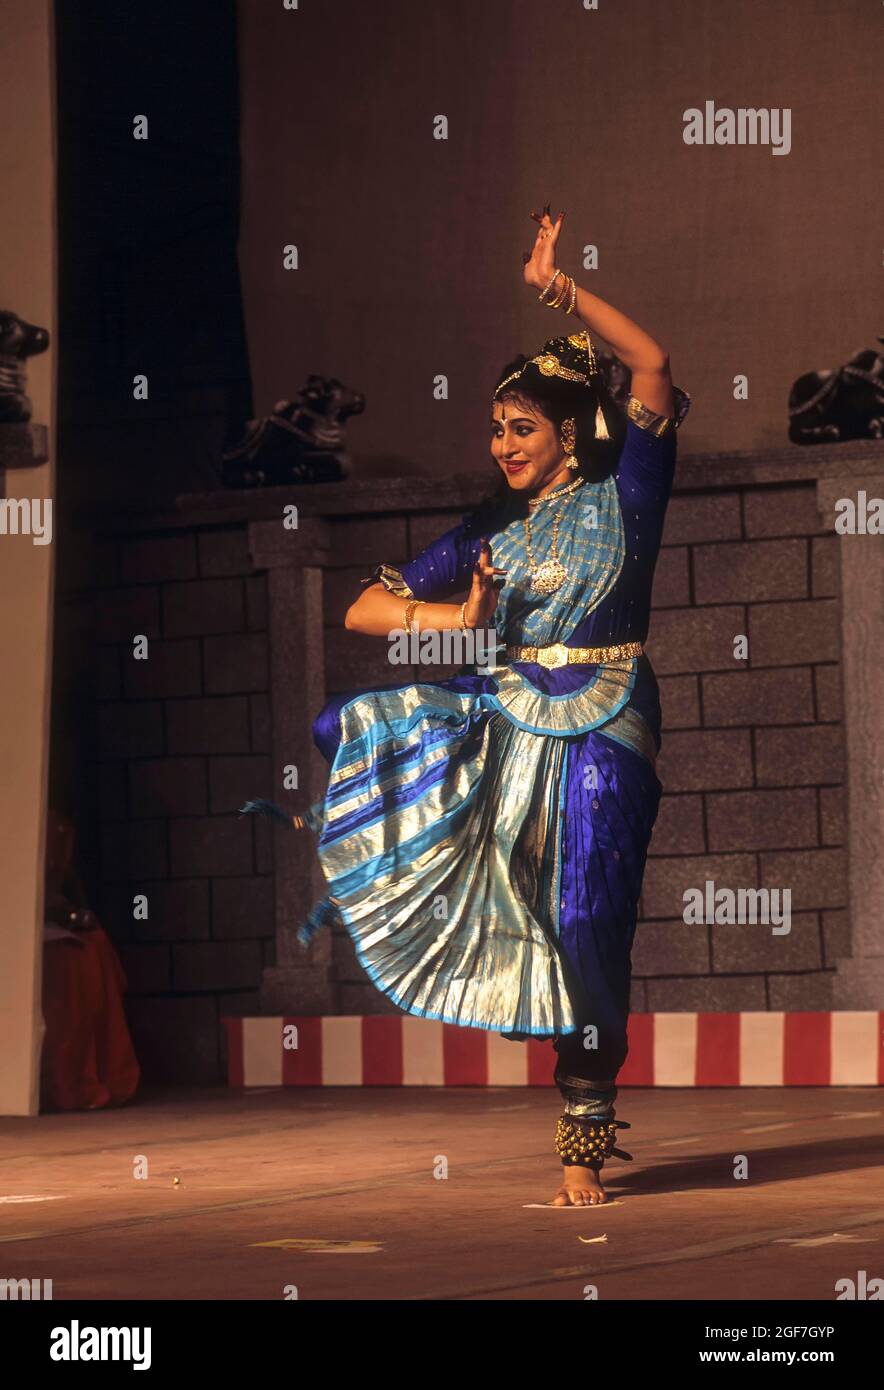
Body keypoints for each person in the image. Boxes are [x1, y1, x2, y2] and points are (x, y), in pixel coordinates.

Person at [243, 203, 690, 1206]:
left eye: (520, 426)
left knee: (587, 915)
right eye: (493, 427)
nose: (502, 442)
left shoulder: (627, 493)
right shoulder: (488, 526)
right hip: (505, 718)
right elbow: (365, 608)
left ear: (570, 433)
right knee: (490, 878)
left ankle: (583, 1131)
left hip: (608, 719)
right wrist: (460, 610)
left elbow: (651, 364)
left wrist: (561, 290)